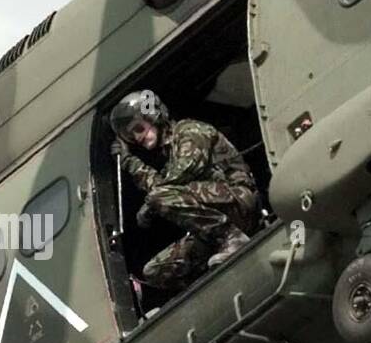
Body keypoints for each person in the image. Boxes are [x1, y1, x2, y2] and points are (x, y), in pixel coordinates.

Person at [109, 90, 259, 291]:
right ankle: (214, 281)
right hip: (213, 224)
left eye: (138, 128)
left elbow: (178, 177)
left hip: (239, 202)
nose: (138, 137)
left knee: (159, 197)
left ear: (153, 115)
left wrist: (149, 205)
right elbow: (164, 189)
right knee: (154, 271)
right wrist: (130, 162)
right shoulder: (169, 154)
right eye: (132, 135)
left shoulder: (190, 131)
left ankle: (232, 238)